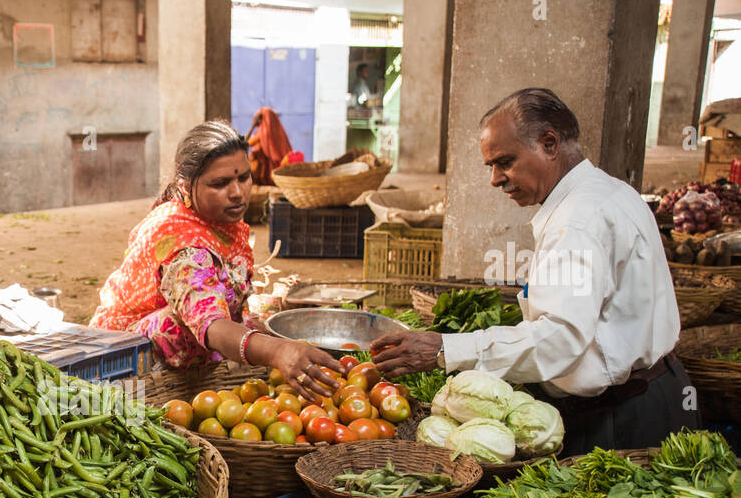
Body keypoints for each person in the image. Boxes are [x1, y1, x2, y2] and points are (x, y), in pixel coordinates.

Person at [369, 88, 696, 456]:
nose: (495, 178)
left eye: (505, 162)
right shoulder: (610, 191)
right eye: (490, 166)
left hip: (622, 415)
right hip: (655, 391)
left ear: (550, 144)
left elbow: (560, 338)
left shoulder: (577, 220)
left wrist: (447, 349)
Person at [89, 120, 341, 399]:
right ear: (185, 185)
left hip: (185, 334)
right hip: (123, 363)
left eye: (243, 178)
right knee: (182, 326)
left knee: (259, 323)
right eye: (220, 184)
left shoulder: (217, 223)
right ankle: (172, 392)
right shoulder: (182, 244)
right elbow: (209, 322)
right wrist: (276, 351)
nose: (236, 192)